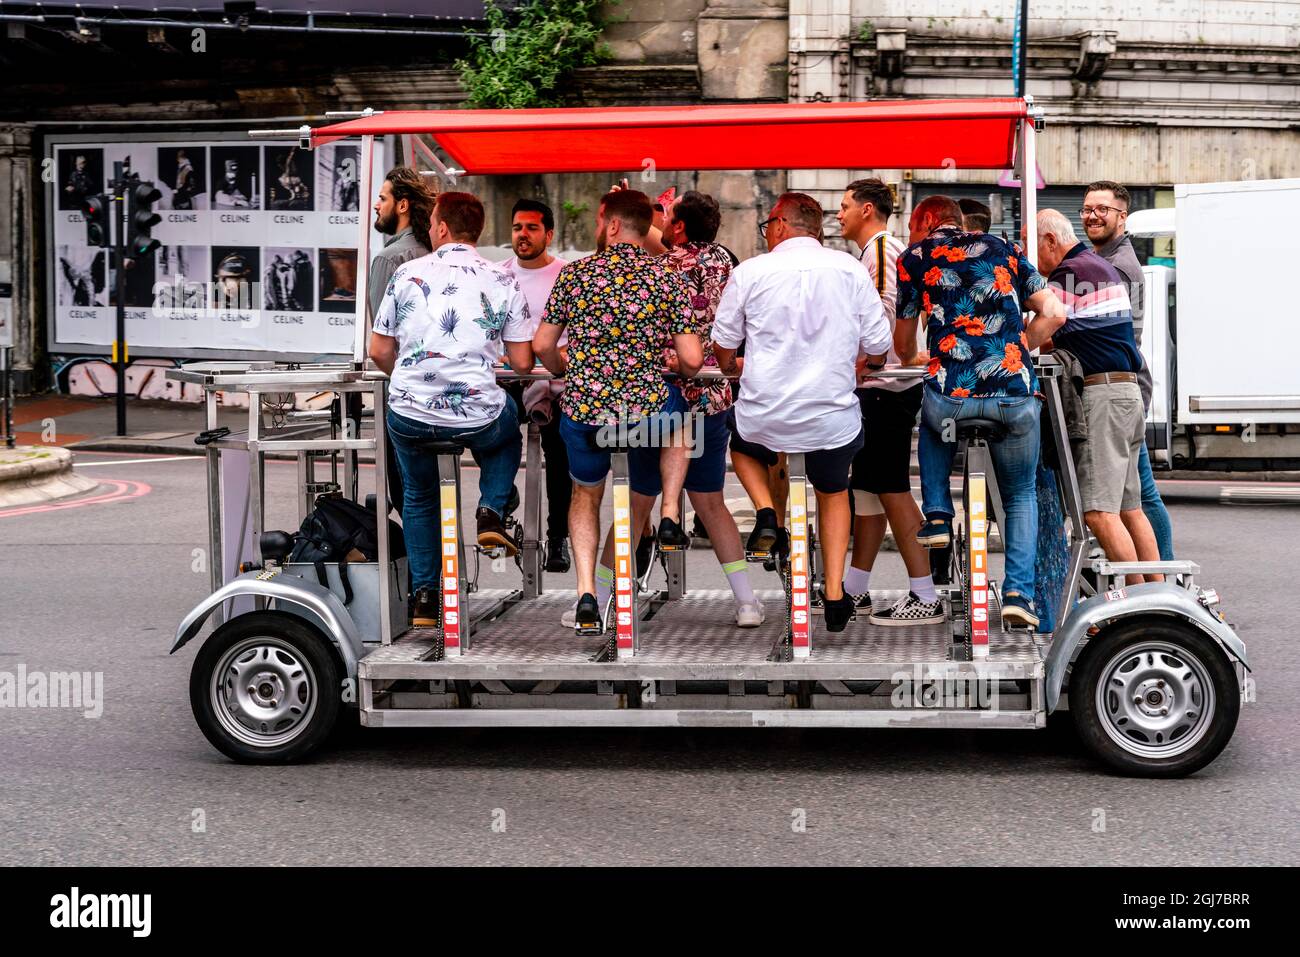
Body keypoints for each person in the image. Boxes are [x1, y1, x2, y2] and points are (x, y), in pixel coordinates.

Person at [712, 192, 893, 633]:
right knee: (833, 492)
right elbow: (880, 346)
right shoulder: (850, 269)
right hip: (831, 418)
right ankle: (833, 596)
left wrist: (731, 366)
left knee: (742, 446)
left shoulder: (750, 271)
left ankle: (766, 512)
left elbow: (723, 344)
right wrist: (866, 365)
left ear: (778, 225)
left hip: (765, 416)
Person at [534, 189, 703, 634]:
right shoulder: (667, 278)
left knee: (585, 497)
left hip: (586, 412)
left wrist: (566, 367)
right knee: (682, 423)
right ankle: (668, 514)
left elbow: (542, 346)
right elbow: (692, 360)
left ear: (611, 225)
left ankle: (588, 593)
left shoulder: (576, 275)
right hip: (644, 412)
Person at [896, 195, 1066, 630]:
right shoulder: (1006, 249)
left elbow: (901, 344)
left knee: (933, 414)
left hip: (952, 400)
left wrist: (925, 355)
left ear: (928, 222)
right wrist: (1019, 349)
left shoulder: (914, 257)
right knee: (1019, 494)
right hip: (1013, 398)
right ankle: (1017, 595)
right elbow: (1055, 312)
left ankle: (936, 514)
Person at [369, 191, 534, 627]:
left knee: (419, 496)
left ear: (441, 227)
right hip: (476, 415)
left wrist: (408, 374)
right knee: (507, 430)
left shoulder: (406, 273)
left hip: (410, 414)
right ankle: (491, 510)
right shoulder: (502, 279)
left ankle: (425, 597)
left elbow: (379, 352)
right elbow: (521, 363)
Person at [632, 190, 763, 627]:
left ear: (680, 227)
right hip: (714, 395)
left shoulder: (661, 268)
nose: (663, 224)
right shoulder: (728, 263)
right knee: (711, 501)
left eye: (667, 217)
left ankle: (607, 595)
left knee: (637, 501)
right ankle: (747, 601)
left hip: (663, 393)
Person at [1036, 209, 1163, 585]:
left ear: (1050, 241)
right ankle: (1158, 596)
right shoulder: (1097, 265)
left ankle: (1140, 605)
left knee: (1097, 512)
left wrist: (1014, 351)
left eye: (1034, 247)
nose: (1033, 260)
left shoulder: (1069, 272)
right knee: (1130, 509)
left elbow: (1049, 326)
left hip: (1101, 395)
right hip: (1127, 391)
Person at [836, 178, 942, 625]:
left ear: (866, 210)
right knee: (869, 489)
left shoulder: (880, 252)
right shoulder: (873, 252)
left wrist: (862, 360)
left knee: (892, 486)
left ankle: (925, 591)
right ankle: (855, 588)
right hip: (883, 387)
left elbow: (884, 314)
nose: (838, 214)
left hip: (887, 388)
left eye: (843, 206)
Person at [1082, 179, 1175, 562]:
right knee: (1134, 498)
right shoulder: (1106, 261)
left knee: (1136, 499)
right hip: (1129, 389)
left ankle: (1161, 580)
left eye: (1101, 209)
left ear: (1122, 217)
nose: (1092, 216)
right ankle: (1161, 581)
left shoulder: (1115, 267)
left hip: (1119, 391)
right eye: (1087, 209)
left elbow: (1098, 333)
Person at [500, 198, 572, 574]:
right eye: (517, 228)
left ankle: (558, 537)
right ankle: (500, 503)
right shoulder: (497, 274)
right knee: (496, 433)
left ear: (549, 233)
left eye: (530, 228)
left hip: (555, 379)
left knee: (560, 449)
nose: (523, 235)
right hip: (508, 378)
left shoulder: (568, 274)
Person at [369, 167, 436, 521]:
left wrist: (406, 379)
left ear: (403, 205)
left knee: (410, 494)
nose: (376, 206)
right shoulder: (431, 252)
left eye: (382, 198)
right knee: (434, 491)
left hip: (402, 396)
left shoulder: (389, 259)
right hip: (439, 392)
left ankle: (419, 577)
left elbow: (382, 344)